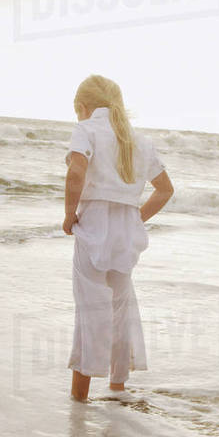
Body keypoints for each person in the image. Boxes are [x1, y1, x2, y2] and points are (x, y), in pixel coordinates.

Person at [62, 75, 174, 403]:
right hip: (126, 232)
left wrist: (69, 214)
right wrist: (135, 219)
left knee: (89, 310)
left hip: (94, 227)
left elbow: (76, 172)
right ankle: (117, 389)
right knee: (121, 307)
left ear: (83, 107)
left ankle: (79, 399)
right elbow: (165, 190)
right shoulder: (138, 140)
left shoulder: (86, 129)